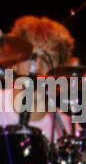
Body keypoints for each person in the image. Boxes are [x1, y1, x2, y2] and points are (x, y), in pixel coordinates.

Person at [0, 15, 77, 144]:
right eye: (30, 57)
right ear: (13, 62)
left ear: (59, 71)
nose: (37, 67)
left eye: (47, 59)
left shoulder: (67, 129)